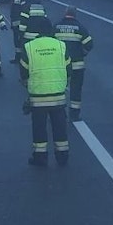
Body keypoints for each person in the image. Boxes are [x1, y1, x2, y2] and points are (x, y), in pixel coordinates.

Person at [20, 15, 70, 166]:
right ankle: (62, 156)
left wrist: (28, 85)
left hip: (38, 97)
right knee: (60, 127)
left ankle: (40, 157)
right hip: (58, 96)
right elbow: (69, 68)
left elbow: (23, 72)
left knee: (39, 128)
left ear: (37, 31)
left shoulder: (29, 47)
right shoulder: (61, 46)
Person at [54, 6, 93, 120]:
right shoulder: (80, 28)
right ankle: (74, 115)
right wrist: (83, 53)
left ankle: (57, 113)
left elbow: (50, 41)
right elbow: (89, 44)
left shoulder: (56, 26)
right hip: (77, 66)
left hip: (60, 65)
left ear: (65, 13)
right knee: (76, 89)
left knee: (58, 89)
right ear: (75, 15)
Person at [8, 0, 28, 64]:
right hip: (15, 24)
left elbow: (24, 10)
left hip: (20, 24)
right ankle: (18, 58)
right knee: (16, 42)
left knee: (21, 41)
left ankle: (23, 58)